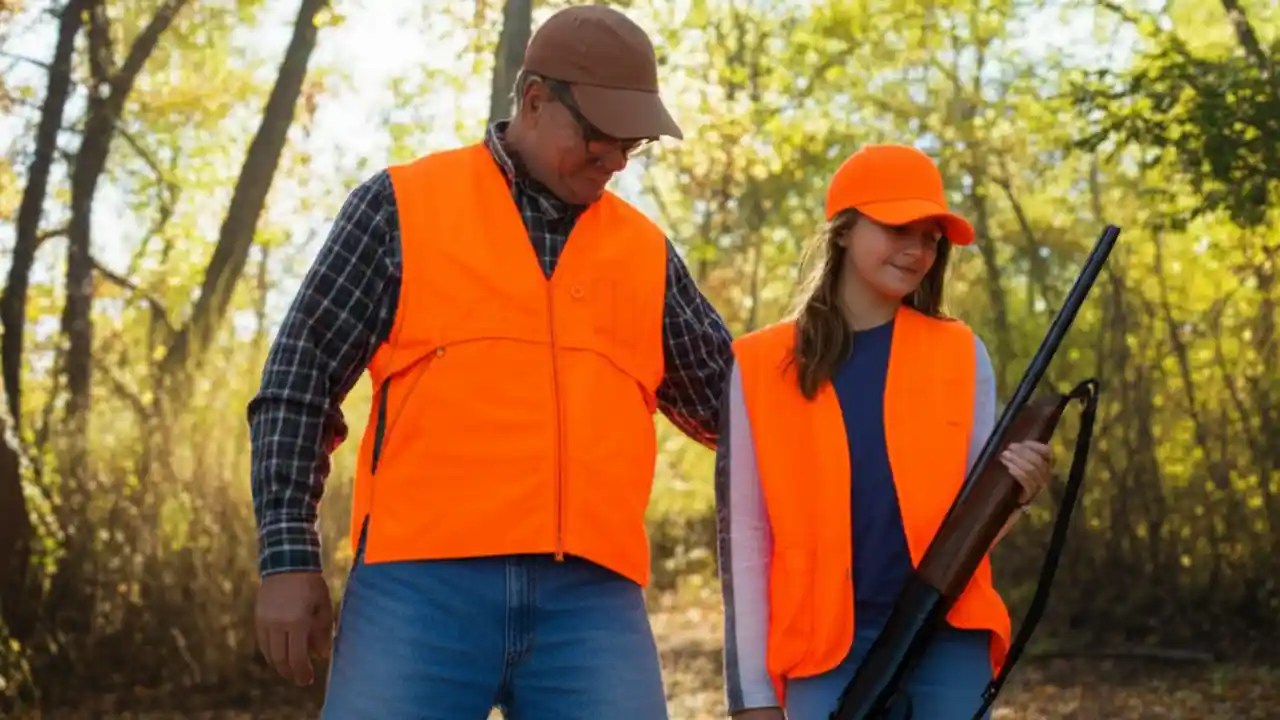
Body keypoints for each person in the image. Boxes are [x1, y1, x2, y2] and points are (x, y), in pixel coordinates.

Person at [246, 6, 733, 718]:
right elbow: (298, 382)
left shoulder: (645, 252)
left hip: (592, 604)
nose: (617, 159)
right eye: (600, 135)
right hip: (417, 592)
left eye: (633, 143)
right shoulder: (401, 208)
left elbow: (742, 407)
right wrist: (288, 557)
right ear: (534, 99)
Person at [714, 144, 1055, 720]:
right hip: (821, 650)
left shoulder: (961, 354)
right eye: (898, 227)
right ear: (844, 231)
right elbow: (746, 540)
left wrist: (1016, 497)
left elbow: (972, 531)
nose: (917, 250)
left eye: (930, 237)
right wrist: (752, 695)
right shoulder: (758, 363)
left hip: (948, 635)